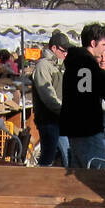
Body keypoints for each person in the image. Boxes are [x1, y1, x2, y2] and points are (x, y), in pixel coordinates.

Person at [59, 23, 105, 168]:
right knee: (97, 175)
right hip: (86, 128)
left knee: (79, 176)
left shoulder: (77, 61)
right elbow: (89, 92)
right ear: (93, 43)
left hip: (76, 128)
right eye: (104, 44)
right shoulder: (85, 63)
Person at [31, 30, 70, 166]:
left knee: (58, 155)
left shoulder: (59, 66)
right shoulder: (43, 66)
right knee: (50, 156)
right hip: (48, 119)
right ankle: (41, 182)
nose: (65, 54)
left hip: (59, 118)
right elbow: (47, 95)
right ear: (53, 48)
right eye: (63, 50)